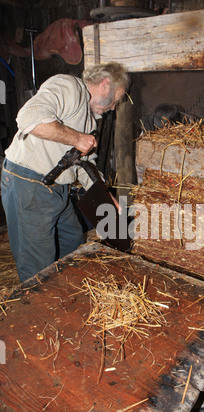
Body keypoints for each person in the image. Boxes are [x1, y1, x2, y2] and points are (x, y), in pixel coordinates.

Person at [0, 62, 129, 283]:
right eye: (115, 100)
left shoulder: (88, 120)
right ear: (106, 85)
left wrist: (108, 199)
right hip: (29, 182)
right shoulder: (68, 86)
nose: (113, 108)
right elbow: (29, 117)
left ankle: (60, 290)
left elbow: (84, 166)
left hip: (56, 189)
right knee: (38, 262)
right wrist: (77, 139)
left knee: (72, 239)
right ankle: (38, 307)